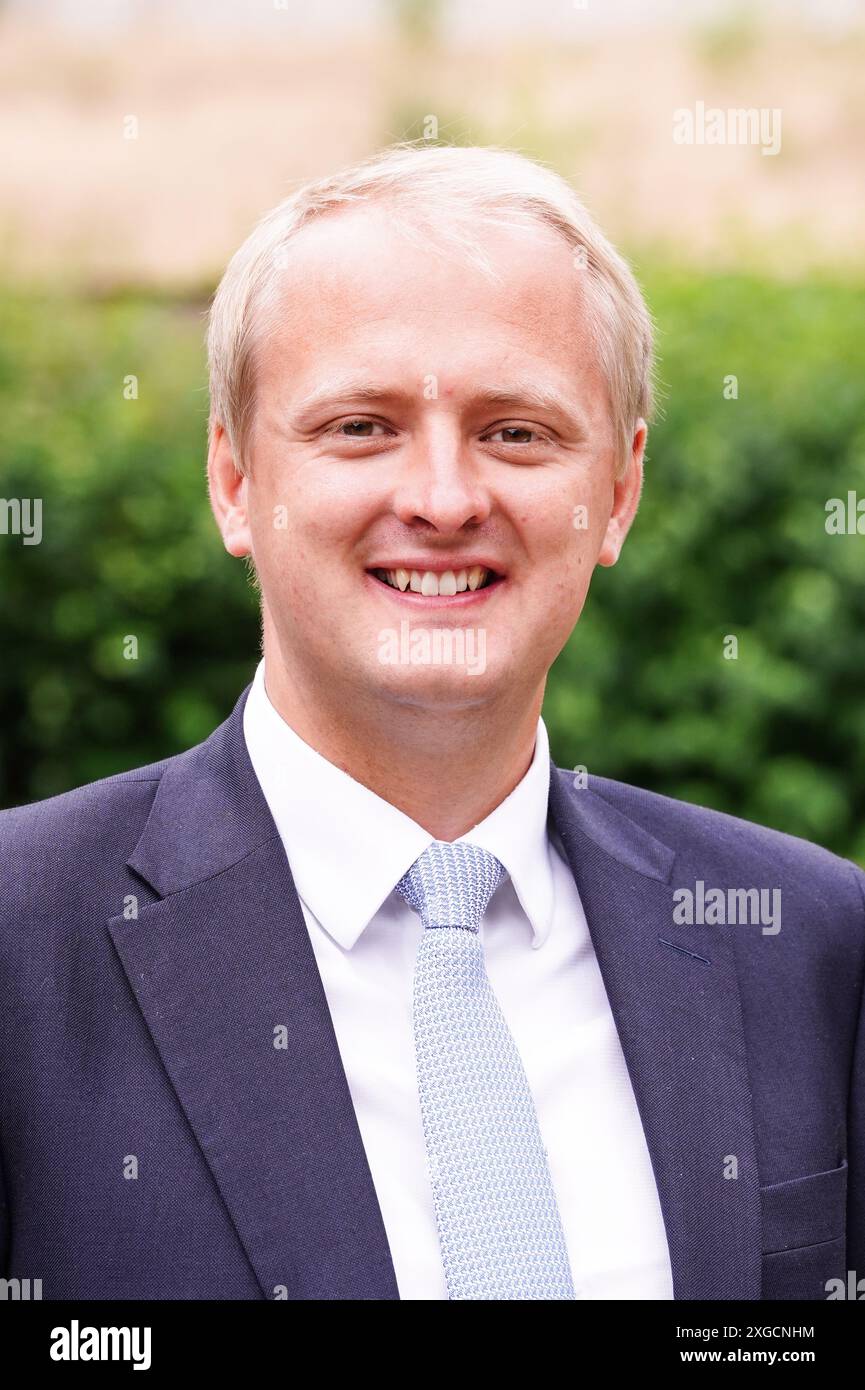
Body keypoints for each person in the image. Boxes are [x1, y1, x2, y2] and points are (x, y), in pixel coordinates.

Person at [1, 144, 862, 1302]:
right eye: (361, 426)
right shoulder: (23, 947)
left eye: (516, 430)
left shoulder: (809, 944)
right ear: (233, 482)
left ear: (616, 492)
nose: (445, 499)